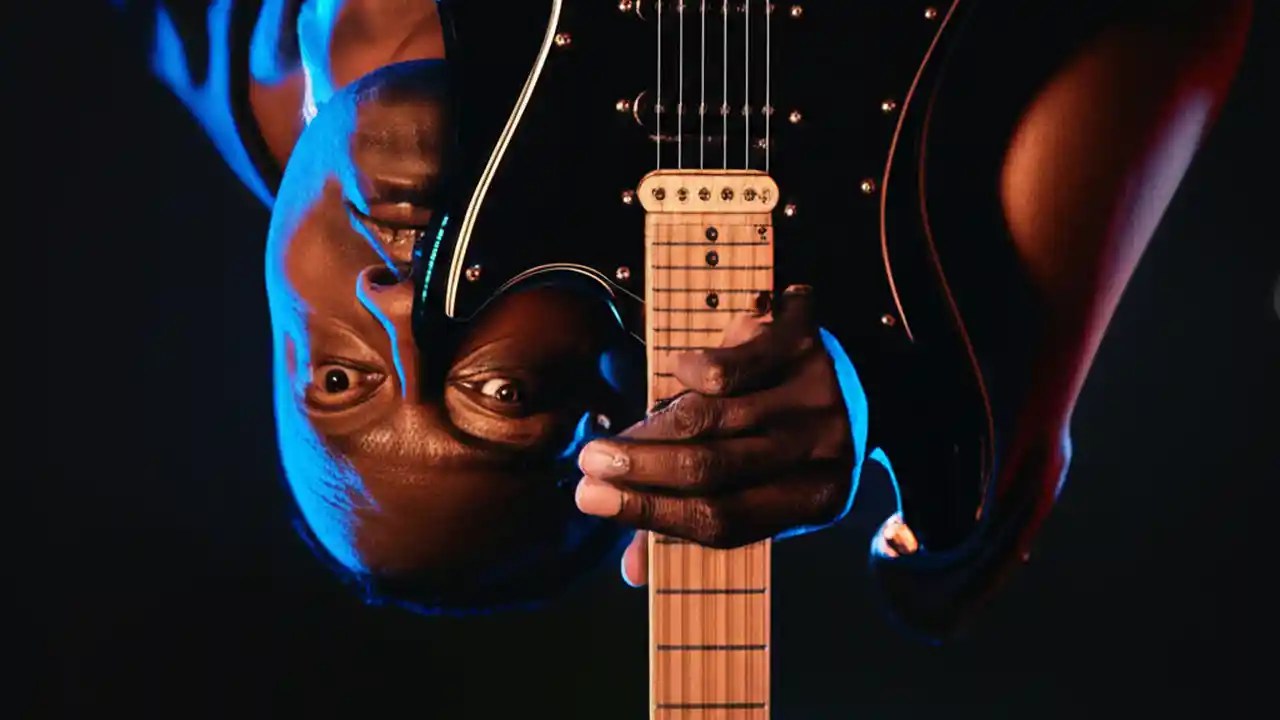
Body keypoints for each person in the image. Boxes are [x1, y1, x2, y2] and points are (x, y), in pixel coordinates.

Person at [125, 0, 1253, 639]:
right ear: (644, 376)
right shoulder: (806, 143)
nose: (394, 312)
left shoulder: (207, 34)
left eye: (337, 382)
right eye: (500, 395)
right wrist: (975, 385)